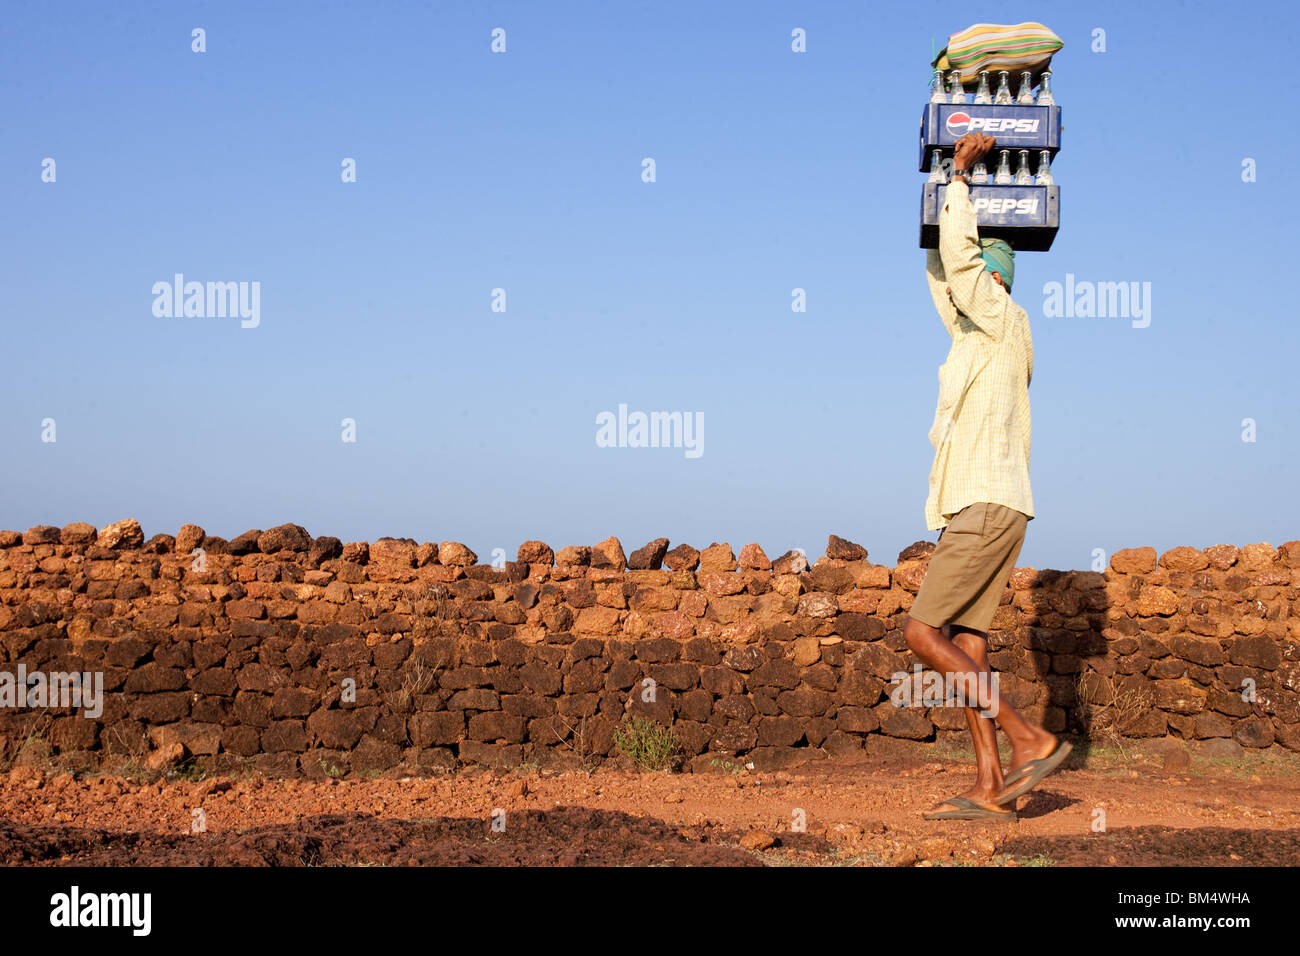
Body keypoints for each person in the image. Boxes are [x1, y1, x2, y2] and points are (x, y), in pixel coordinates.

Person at [905, 131, 1071, 822]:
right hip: (992, 505)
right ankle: (989, 786)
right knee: (967, 643)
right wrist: (939, 191)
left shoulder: (1003, 317)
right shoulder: (974, 336)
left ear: (994, 279)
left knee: (921, 633)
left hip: (986, 502)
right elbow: (944, 274)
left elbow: (963, 266)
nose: (963, 287)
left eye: (976, 274)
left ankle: (1028, 736)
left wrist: (964, 179)